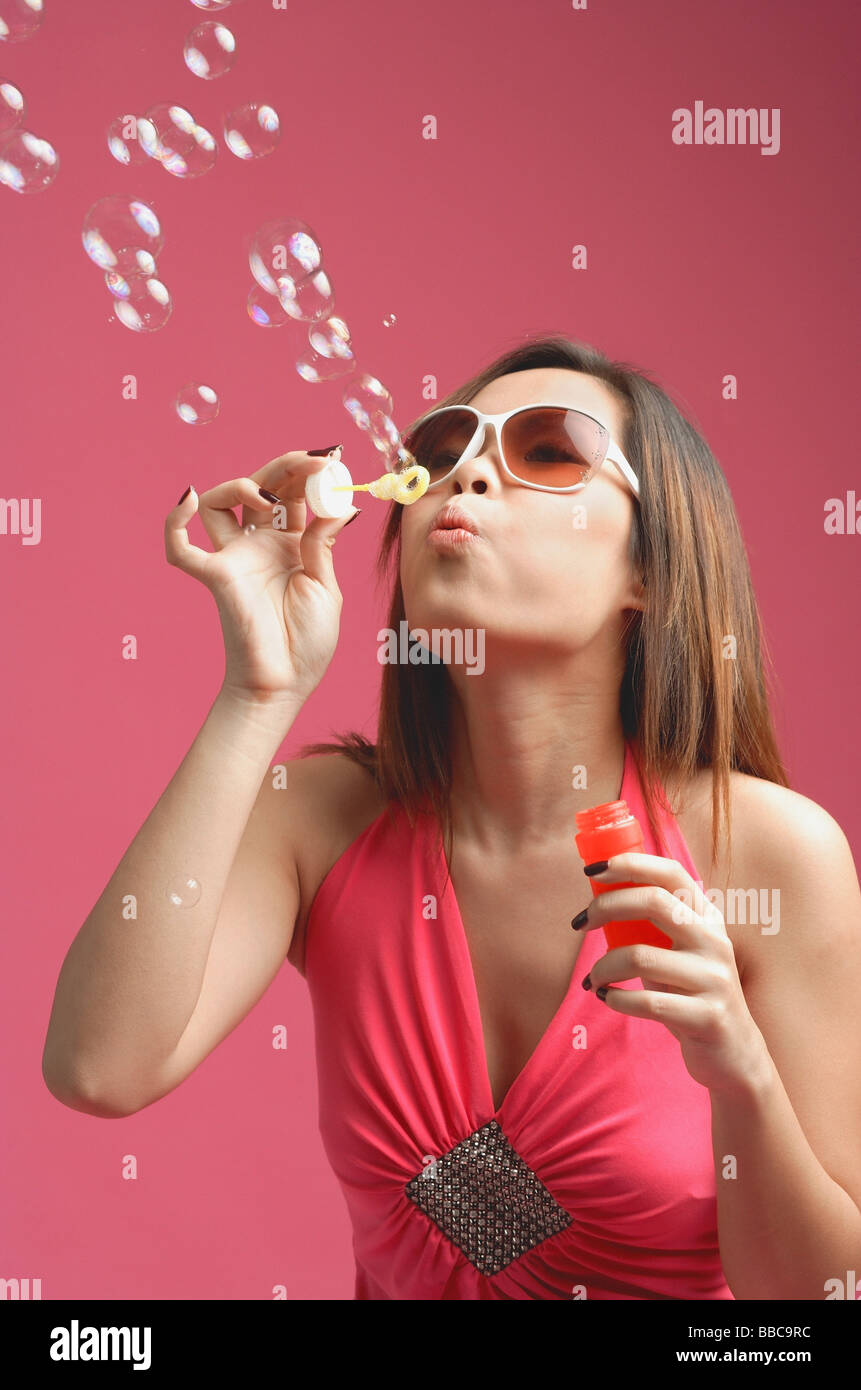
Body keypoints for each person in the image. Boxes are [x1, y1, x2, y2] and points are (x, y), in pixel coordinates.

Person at [41, 334, 861, 1301]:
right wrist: (259, 691)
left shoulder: (768, 853)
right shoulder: (321, 820)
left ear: (647, 568)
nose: (464, 474)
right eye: (440, 452)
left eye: (549, 450)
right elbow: (98, 1069)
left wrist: (741, 1073)